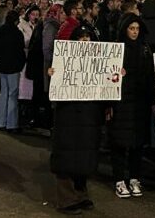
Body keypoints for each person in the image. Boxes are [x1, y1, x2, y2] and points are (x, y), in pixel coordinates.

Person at [48, 28, 105, 215]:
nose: (85, 41)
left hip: (89, 114)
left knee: (84, 155)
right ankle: (66, 199)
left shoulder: (99, 61)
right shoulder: (62, 59)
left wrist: (116, 76)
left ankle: (80, 194)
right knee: (66, 155)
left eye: (88, 37)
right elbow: (52, 87)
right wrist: (51, 74)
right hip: (68, 114)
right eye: (81, 38)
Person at [108, 13, 154, 199]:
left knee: (137, 143)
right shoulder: (116, 49)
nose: (135, 32)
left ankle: (134, 177)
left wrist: (151, 100)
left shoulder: (145, 48)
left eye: (137, 29)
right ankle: (119, 179)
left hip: (140, 102)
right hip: (121, 101)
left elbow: (150, 75)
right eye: (131, 28)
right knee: (119, 142)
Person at [0, 10, 26, 133]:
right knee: (13, 95)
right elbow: (21, 50)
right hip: (13, 67)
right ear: (16, 21)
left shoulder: (0, 32)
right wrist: (21, 63)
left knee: (4, 93)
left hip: (2, 65)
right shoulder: (17, 34)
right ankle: (12, 124)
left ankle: (0, 122)